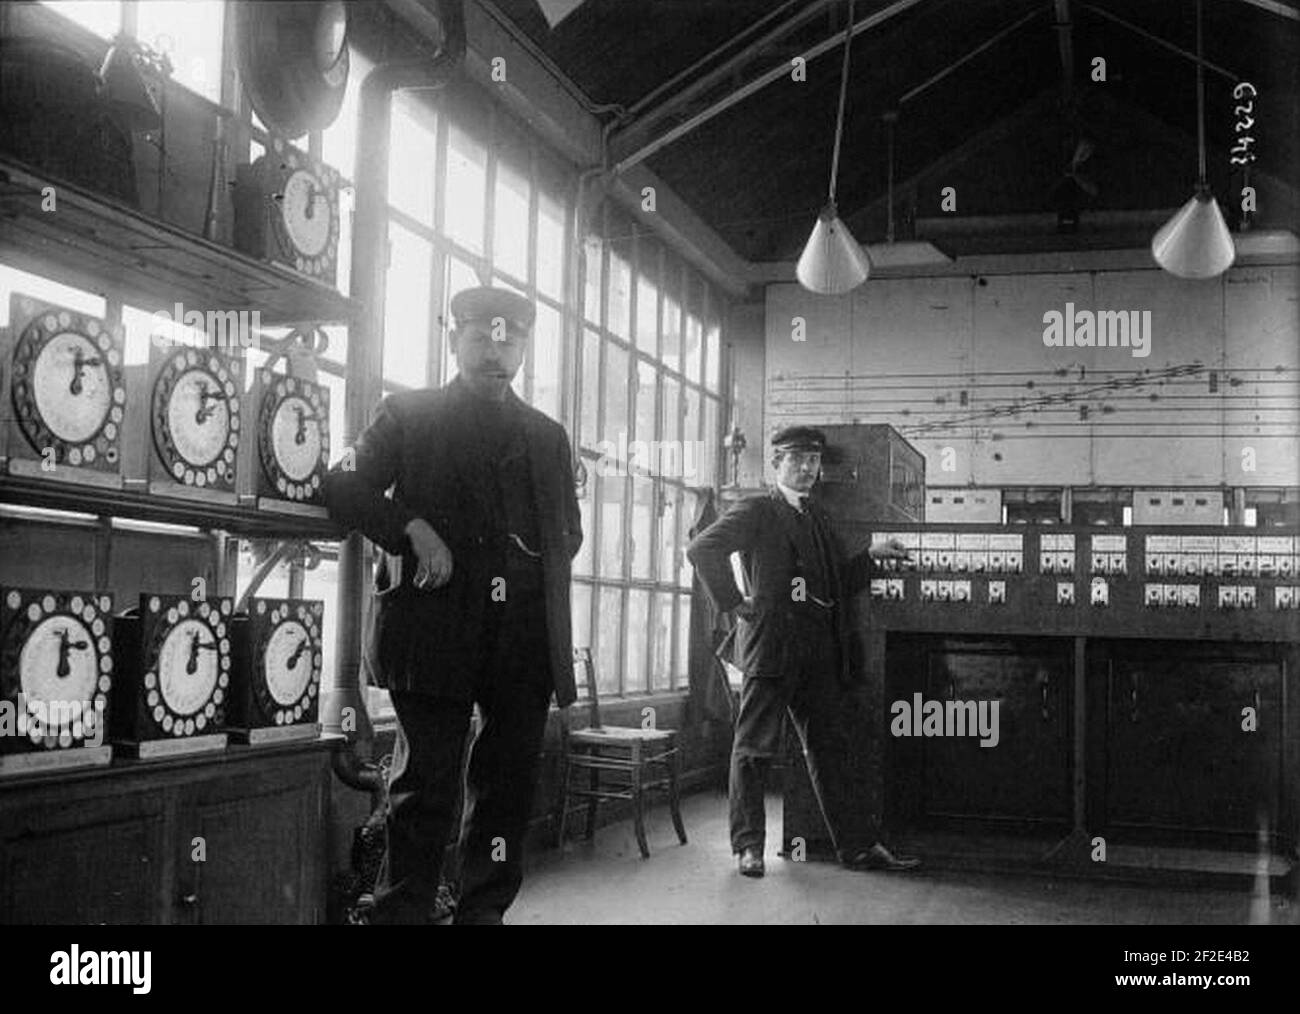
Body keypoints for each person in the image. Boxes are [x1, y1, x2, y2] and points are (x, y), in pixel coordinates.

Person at [324, 286, 582, 924]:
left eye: (510, 339)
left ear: (523, 346)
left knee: (506, 791)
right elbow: (343, 483)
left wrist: (520, 559)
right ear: (453, 338)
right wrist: (410, 526)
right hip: (433, 630)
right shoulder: (409, 415)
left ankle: (482, 913)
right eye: (482, 337)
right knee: (426, 790)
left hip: (521, 639)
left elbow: (568, 533)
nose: (497, 351)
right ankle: (402, 914)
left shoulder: (549, 438)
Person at [686, 425, 920, 878]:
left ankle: (855, 848)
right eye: (796, 459)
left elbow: (836, 585)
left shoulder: (818, 517)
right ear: (776, 464)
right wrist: (734, 602)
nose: (807, 468)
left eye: (813, 460)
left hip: (817, 655)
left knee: (831, 751)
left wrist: (872, 555)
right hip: (771, 649)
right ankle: (748, 847)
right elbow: (701, 548)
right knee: (754, 750)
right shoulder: (757, 509)